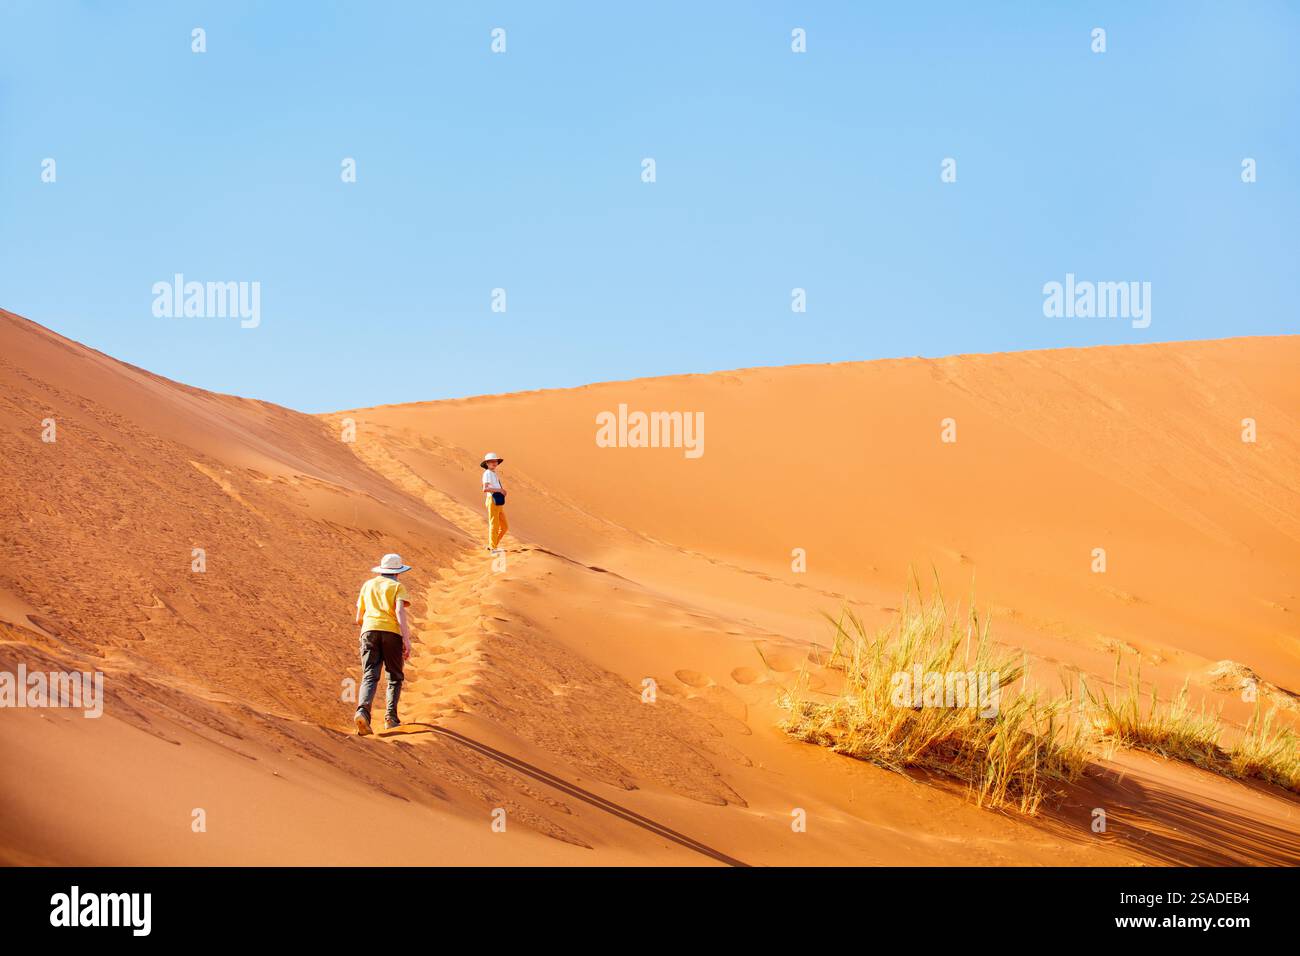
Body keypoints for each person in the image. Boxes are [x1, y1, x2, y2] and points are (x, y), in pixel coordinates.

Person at [352, 553, 413, 735]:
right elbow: (400, 611)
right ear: (398, 572)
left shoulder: (368, 585)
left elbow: (358, 618)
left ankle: (363, 711)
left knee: (370, 675)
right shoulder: (397, 587)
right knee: (394, 676)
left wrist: (368, 632)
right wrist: (406, 639)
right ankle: (390, 718)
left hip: (368, 631)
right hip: (391, 633)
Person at [481, 452, 509, 552]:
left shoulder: (493, 473)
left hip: (497, 502)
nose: (494, 463)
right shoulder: (487, 473)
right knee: (494, 525)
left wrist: (502, 490)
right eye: (491, 461)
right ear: (487, 463)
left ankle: (492, 545)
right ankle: (493, 547)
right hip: (492, 500)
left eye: (495, 461)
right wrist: (500, 490)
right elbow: (485, 489)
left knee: (505, 527)